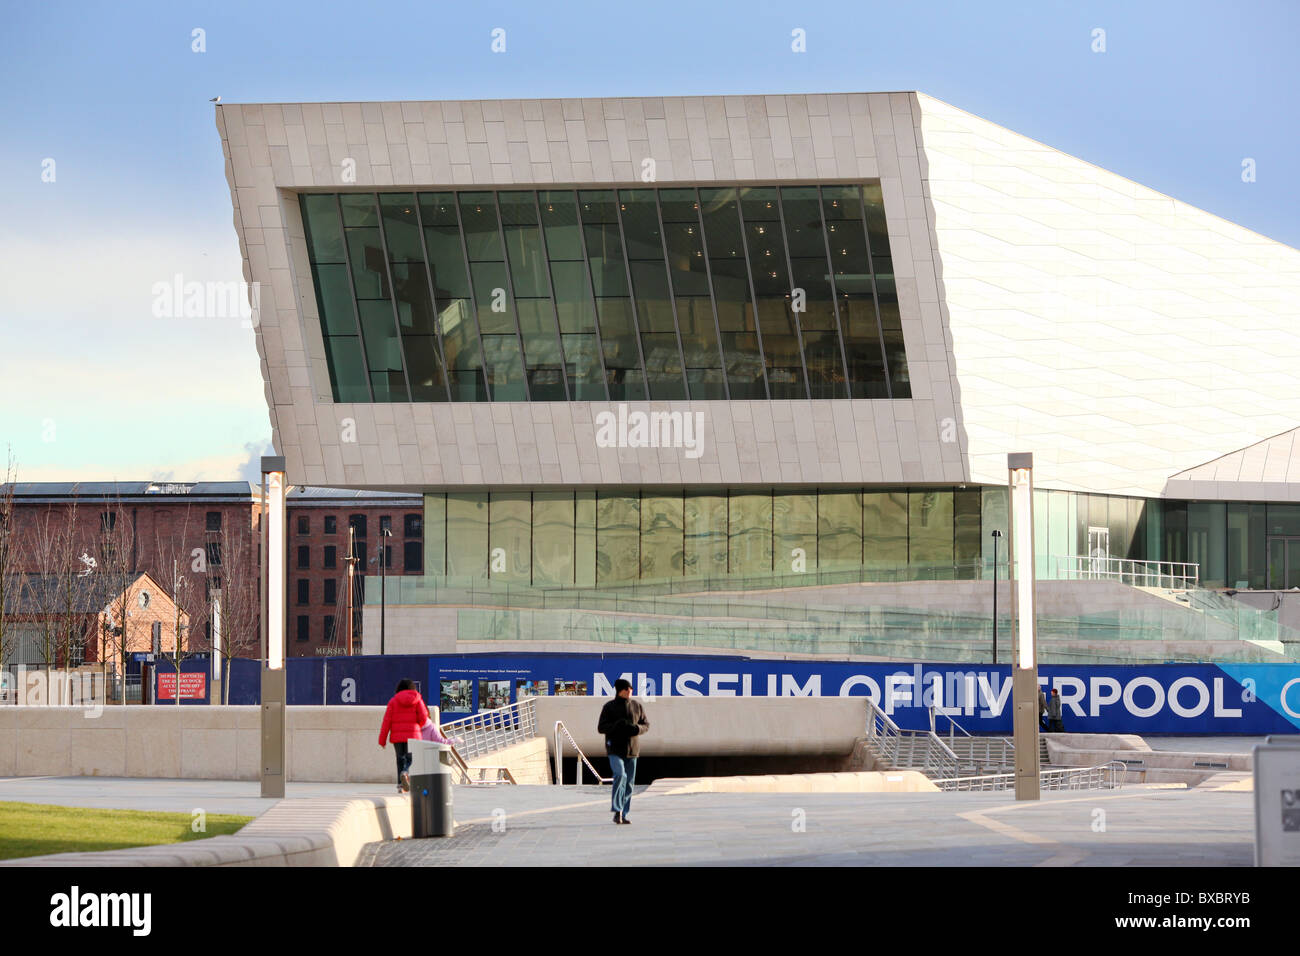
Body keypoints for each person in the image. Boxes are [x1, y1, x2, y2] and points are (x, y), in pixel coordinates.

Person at [597, 678, 649, 825]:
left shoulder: (637, 706)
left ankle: (623, 814)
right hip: (615, 748)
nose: (630, 691)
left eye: (631, 689)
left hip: (633, 749)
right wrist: (616, 726)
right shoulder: (609, 707)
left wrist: (637, 729)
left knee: (629, 784)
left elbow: (645, 724)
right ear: (620, 690)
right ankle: (617, 809)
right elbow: (601, 727)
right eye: (627, 689)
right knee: (620, 775)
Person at [379, 679, 430, 792]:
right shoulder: (417, 700)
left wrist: (382, 740)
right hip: (413, 735)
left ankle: (400, 785)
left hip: (397, 737)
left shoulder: (393, 701)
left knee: (400, 759)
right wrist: (417, 726)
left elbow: (386, 721)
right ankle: (406, 773)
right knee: (411, 759)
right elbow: (423, 717)